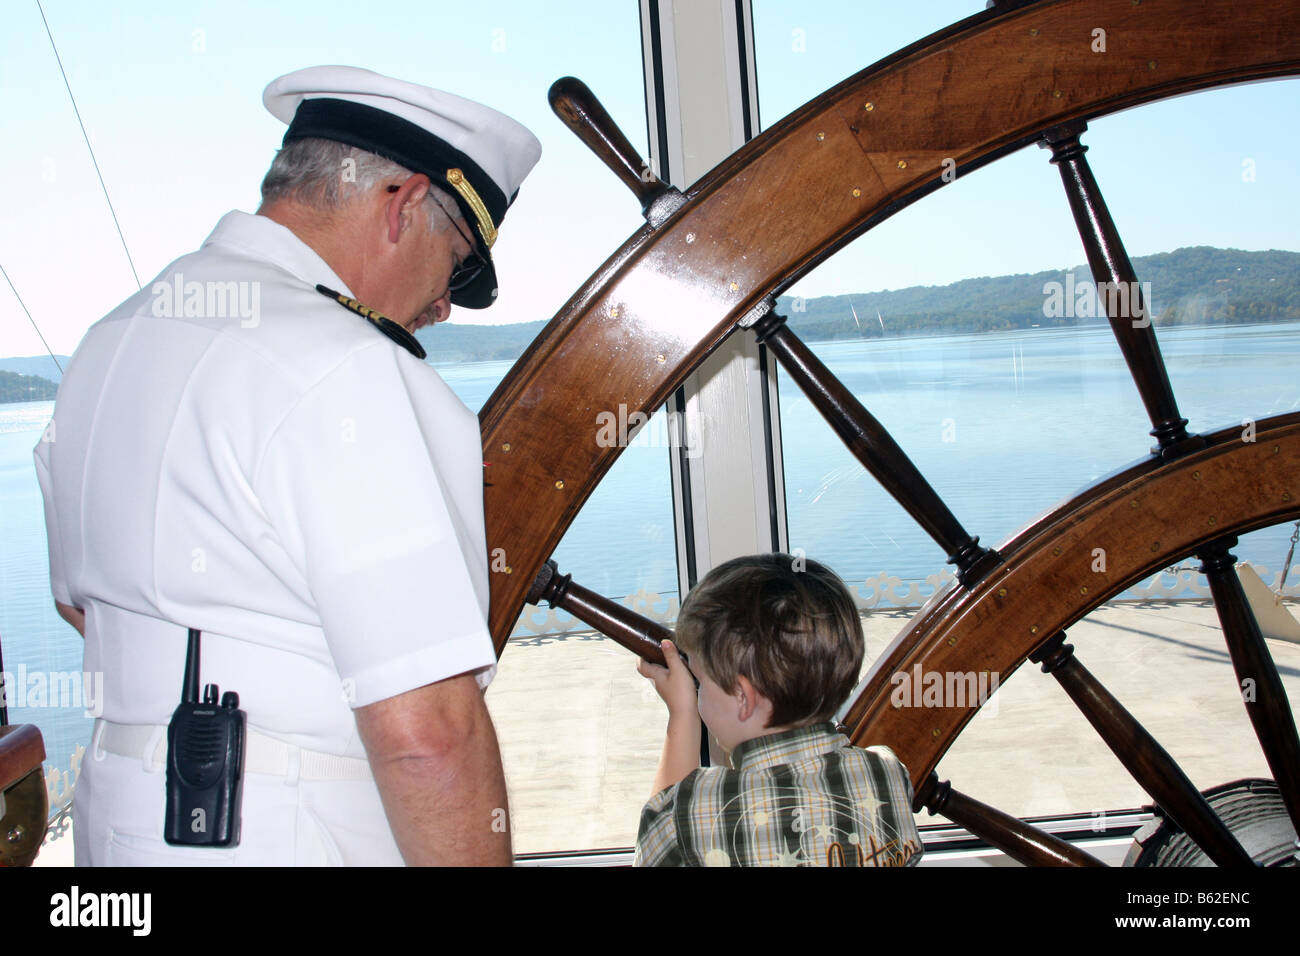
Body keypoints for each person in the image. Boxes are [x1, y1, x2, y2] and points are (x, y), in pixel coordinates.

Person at [33, 66, 541, 865]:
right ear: (404, 204)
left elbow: (83, 610)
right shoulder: (351, 368)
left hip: (120, 839)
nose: (445, 304)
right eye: (457, 258)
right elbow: (426, 737)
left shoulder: (109, 343)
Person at [635, 553, 923, 866]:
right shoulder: (887, 773)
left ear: (743, 699)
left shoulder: (692, 812)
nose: (696, 690)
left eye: (700, 682)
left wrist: (682, 714)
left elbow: (658, 839)